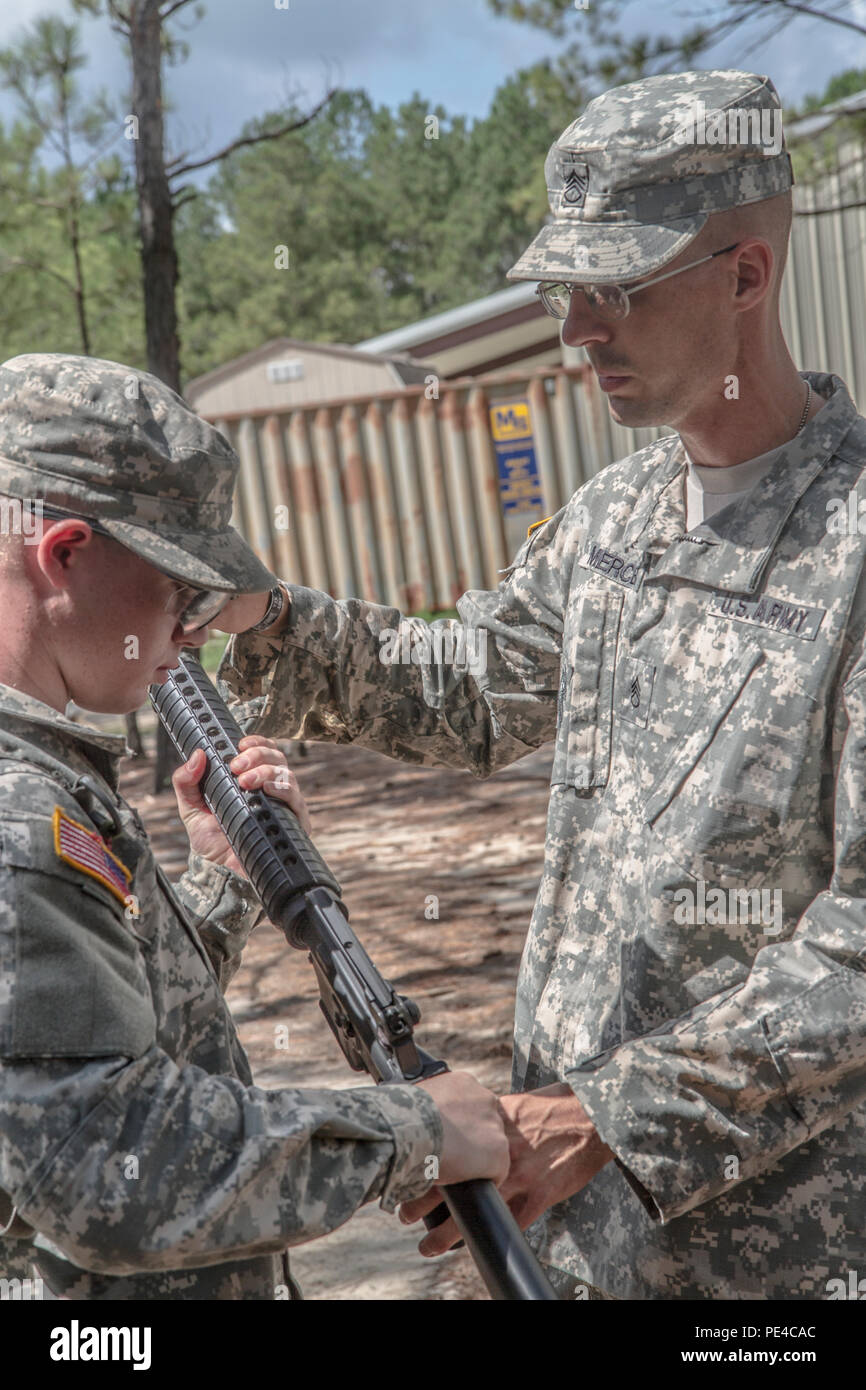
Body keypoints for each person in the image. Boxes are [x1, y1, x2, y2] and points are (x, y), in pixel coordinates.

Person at [215, 68, 866, 1301]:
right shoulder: (615, 518)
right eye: (562, 290)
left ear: (744, 276)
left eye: (612, 288)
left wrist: (609, 1114)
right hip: (566, 1240)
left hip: (765, 1264)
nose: (572, 329)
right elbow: (472, 685)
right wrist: (269, 618)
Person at [0, 352, 509, 1301]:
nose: (194, 631)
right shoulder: (19, 816)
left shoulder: (45, 774)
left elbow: (102, 1031)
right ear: (64, 553)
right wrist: (414, 1132)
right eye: (181, 591)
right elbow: (102, 1161)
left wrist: (223, 882)